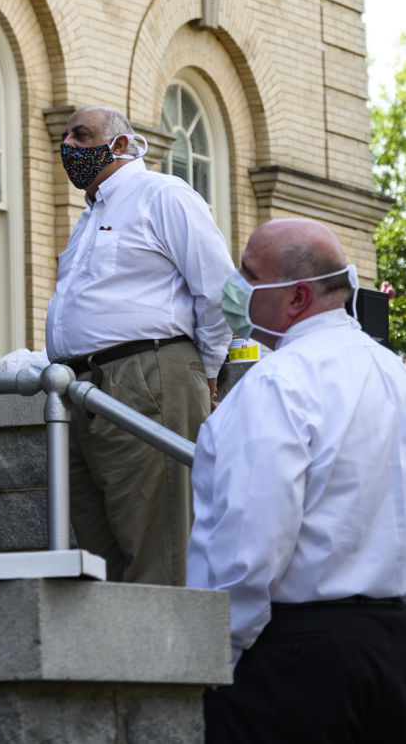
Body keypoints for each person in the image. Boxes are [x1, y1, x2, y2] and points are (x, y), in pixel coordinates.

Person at [188, 217, 406, 741]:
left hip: (296, 659)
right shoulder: (395, 375)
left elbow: (250, 541)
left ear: (297, 297)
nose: (234, 286)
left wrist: (218, 653)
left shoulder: (276, 383)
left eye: (248, 274)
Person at [44, 104, 233, 584]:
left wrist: (209, 370)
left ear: (122, 144)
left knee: (159, 552)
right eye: (64, 137)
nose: (68, 146)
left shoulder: (163, 194)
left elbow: (219, 291)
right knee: (99, 559)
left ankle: (168, 638)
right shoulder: (90, 218)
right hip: (80, 389)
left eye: (81, 135)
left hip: (147, 376)